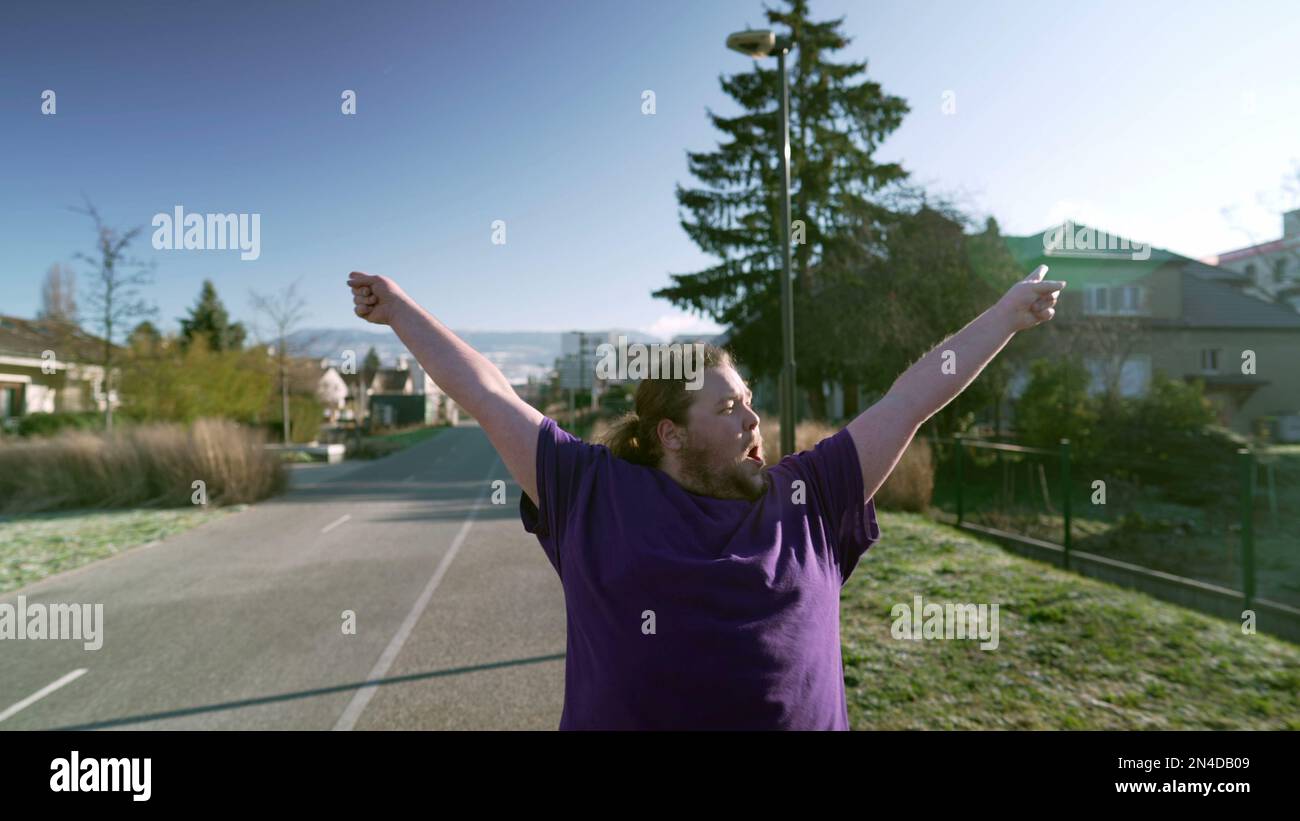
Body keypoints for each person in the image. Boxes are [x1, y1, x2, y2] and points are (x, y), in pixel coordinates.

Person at [346, 265, 1064, 729]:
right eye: (728, 410)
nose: (754, 421)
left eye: (750, 401)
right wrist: (400, 310)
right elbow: (486, 391)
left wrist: (1006, 316)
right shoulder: (592, 492)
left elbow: (909, 399)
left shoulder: (812, 495)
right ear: (672, 434)